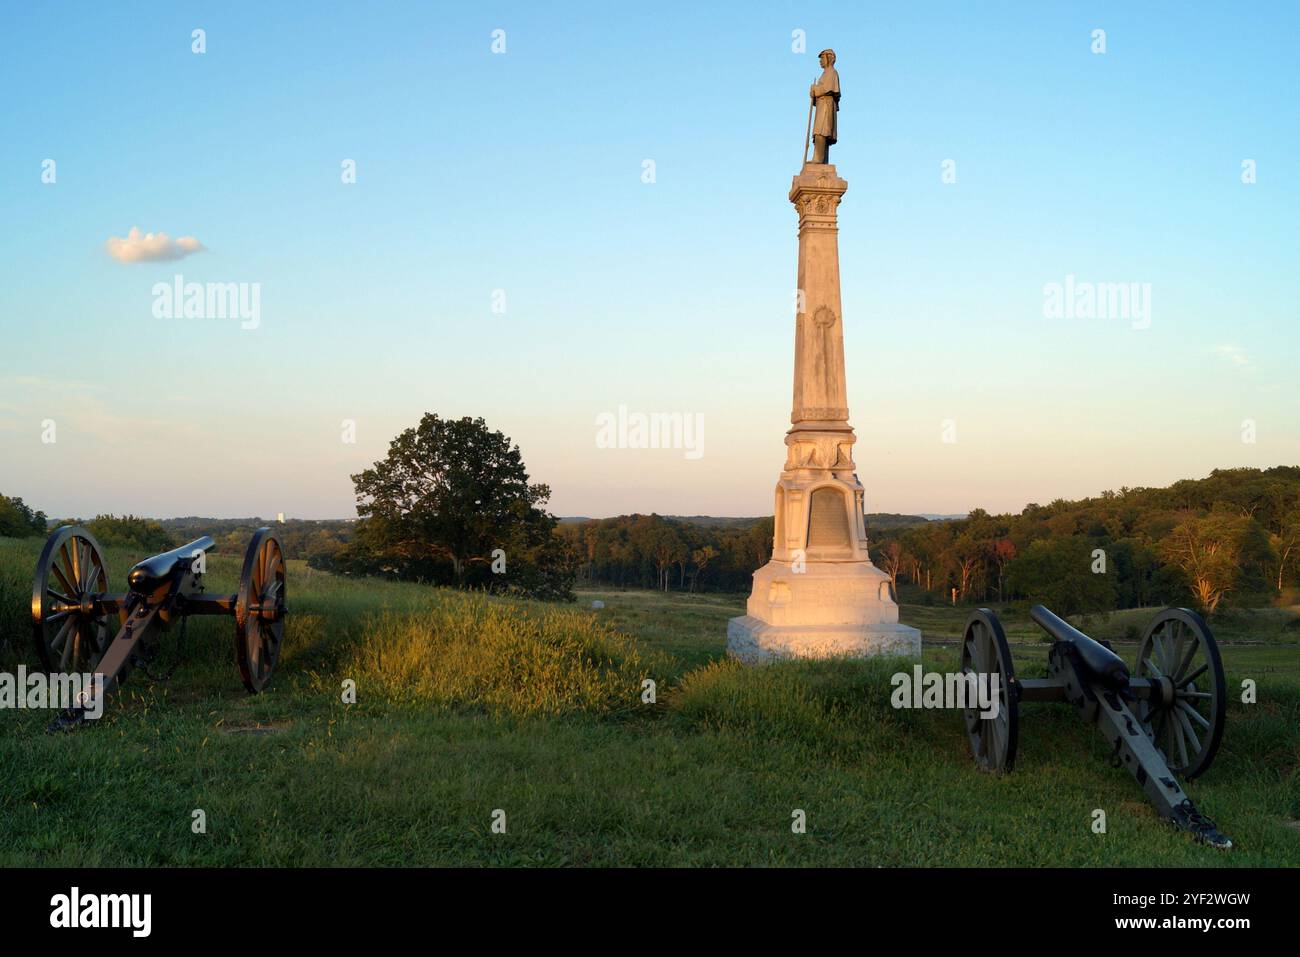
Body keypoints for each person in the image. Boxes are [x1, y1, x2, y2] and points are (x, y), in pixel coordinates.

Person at [809, 49, 840, 164]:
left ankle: (818, 159)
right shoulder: (825, 73)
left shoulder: (831, 72)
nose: (820, 61)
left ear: (829, 58)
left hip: (826, 106)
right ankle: (821, 160)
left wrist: (815, 89)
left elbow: (826, 88)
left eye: (822, 58)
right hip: (822, 105)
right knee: (820, 132)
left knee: (821, 132)